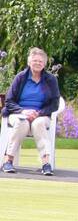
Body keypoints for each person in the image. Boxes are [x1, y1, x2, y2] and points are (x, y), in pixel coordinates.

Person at [2, 47, 61, 176]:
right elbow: (9, 101)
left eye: (40, 61)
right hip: (18, 113)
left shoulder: (51, 80)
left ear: (45, 64)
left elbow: (55, 104)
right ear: (29, 62)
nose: (37, 63)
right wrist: (23, 111)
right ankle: (8, 161)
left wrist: (38, 113)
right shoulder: (21, 77)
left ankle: (46, 164)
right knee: (21, 122)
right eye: (35, 60)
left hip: (41, 114)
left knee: (38, 124)